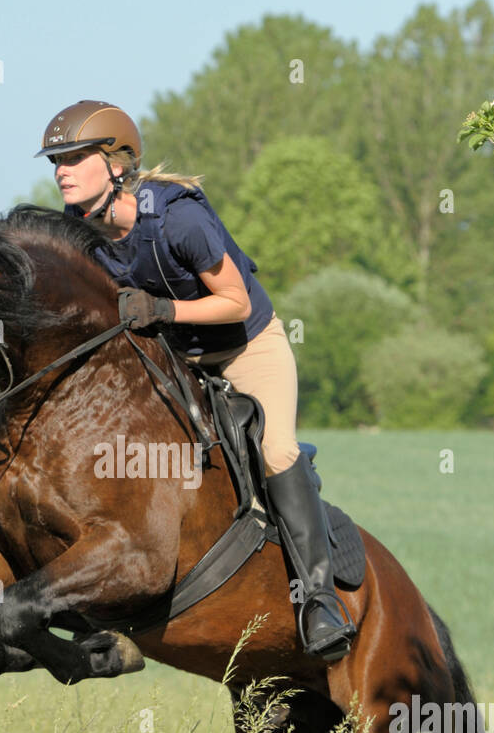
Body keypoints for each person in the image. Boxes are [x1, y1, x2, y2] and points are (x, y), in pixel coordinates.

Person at [35, 100, 355, 662]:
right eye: (56, 159)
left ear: (116, 163)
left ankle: (320, 600)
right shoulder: (84, 236)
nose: (61, 169)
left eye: (75, 156)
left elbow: (232, 303)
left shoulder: (178, 220)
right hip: (177, 360)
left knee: (276, 449)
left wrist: (163, 310)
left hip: (245, 348)